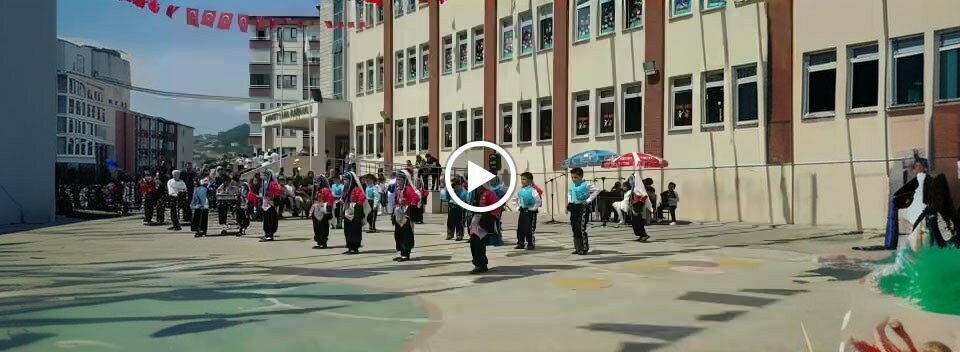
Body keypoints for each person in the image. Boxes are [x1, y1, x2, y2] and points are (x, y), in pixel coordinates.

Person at [468, 179, 501, 274]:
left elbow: (497, 207)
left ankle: (480, 264)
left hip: (484, 221)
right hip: (477, 220)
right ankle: (480, 263)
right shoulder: (475, 194)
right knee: (474, 242)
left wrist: (489, 216)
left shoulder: (489, 193)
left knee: (478, 242)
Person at [567, 167, 600, 255]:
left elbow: (597, 190)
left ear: (581, 177)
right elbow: (570, 193)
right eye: (572, 177)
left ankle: (584, 248)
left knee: (580, 228)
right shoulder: (572, 185)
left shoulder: (586, 185)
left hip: (582, 207)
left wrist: (589, 200)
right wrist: (570, 202)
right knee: (574, 227)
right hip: (574, 207)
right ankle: (577, 248)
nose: (574, 179)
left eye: (576, 177)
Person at [392, 170, 421, 261]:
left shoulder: (408, 189)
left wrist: (409, 205)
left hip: (406, 216)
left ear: (404, 180)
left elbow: (416, 197)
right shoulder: (398, 190)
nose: (398, 182)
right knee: (398, 234)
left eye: (400, 180)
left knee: (405, 235)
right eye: (397, 180)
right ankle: (402, 253)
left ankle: (406, 254)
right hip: (398, 215)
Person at [514, 172, 542, 250]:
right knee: (520, 227)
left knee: (529, 228)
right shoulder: (520, 190)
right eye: (521, 179)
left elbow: (538, 201)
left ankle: (530, 243)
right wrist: (518, 207)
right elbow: (515, 199)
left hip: (531, 212)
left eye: (524, 179)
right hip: (522, 211)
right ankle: (520, 243)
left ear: (530, 181)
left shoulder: (533, 191)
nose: (522, 181)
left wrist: (533, 208)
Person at [341, 172, 367, 254]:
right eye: (344, 180)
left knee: (354, 229)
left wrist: (355, 207)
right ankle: (349, 246)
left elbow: (362, 198)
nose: (344, 181)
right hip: (348, 210)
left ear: (351, 180)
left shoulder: (356, 189)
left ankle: (354, 247)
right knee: (347, 229)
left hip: (355, 212)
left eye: (346, 180)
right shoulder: (345, 190)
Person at [626, 175, 653, 242]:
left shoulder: (638, 188)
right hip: (634, 206)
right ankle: (641, 235)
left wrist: (639, 204)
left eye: (631, 180)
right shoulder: (634, 188)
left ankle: (644, 235)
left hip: (637, 206)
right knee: (635, 222)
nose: (630, 182)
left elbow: (644, 196)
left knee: (638, 221)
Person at [441, 175, 469, 241]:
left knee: (459, 222)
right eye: (454, 186)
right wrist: (447, 191)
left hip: (460, 208)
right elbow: (446, 198)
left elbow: (465, 200)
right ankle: (450, 234)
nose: (454, 187)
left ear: (460, 185)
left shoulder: (464, 192)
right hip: (452, 207)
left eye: (456, 186)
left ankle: (459, 235)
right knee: (450, 221)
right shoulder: (451, 191)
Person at [311, 175, 335, 249]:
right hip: (317, 210)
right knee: (316, 226)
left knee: (323, 226)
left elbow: (331, 199)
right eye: (315, 182)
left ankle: (323, 242)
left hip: (323, 211)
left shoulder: (326, 190)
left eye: (317, 182)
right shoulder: (318, 190)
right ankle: (319, 242)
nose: (316, 184)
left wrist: (326, 208)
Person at [259, 169, 283, 242]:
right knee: (266, 220)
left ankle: (270, 235)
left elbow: (278, 192)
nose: (264, 176)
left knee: (270, 220)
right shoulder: (265, 182)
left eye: (266, 175)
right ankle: (267, 234)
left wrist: (271, 195)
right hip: (265, 204)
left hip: (270, 204)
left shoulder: (272, 183)